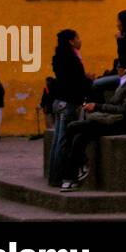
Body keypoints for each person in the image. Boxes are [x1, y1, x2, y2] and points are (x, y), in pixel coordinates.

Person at [59, 62, 126, 190]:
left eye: (119, 66)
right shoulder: (124, 83)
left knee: (75, 130)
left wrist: (97, 106)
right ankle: (73, 173)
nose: (117, 69)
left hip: (121, 124)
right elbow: (114, 104)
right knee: (78, 134)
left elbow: (125, 109)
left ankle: (71, 175)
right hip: (110, 120)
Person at [48, 29, 92, 185]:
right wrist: (88, 80)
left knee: (57, 141)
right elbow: (76, 81)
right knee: (64, 141)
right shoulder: (72, 58)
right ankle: (61, 177)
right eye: (78, 37)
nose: (80, 40)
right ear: (71, 41)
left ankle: (54, 176)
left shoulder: (58, 57)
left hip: (58, 101)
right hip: (68, 102)